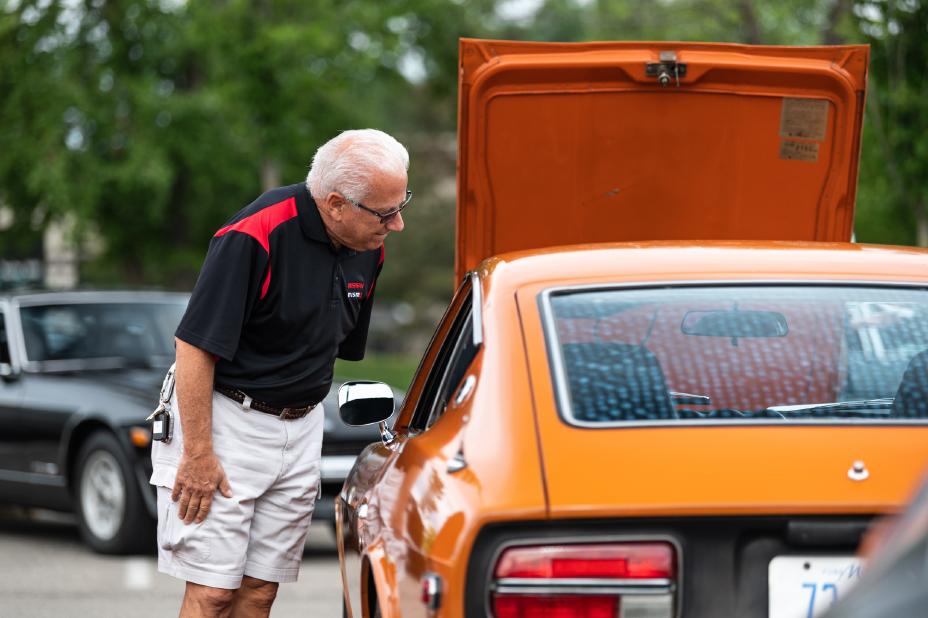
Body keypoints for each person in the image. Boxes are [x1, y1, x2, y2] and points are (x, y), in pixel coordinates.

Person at [150, 129, 409, 617]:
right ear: (335, 203)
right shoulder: (256, 232)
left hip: (303, 426)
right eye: (385, 212)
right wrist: (199, 454)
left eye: (401, 204)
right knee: (213, 592)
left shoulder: (369, 245)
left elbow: (328, 347)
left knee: (259, 591)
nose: (397, 224)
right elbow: (193, 347)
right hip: (226, 422)